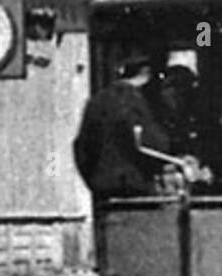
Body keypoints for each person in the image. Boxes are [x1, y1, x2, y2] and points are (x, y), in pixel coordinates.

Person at [73, 49, 173, 200]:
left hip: (103, 188)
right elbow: (150, 143)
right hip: (135, 185)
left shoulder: (97, 101)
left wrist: (94, 181)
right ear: (146, 73)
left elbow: (81, 147)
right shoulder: (134, 101)